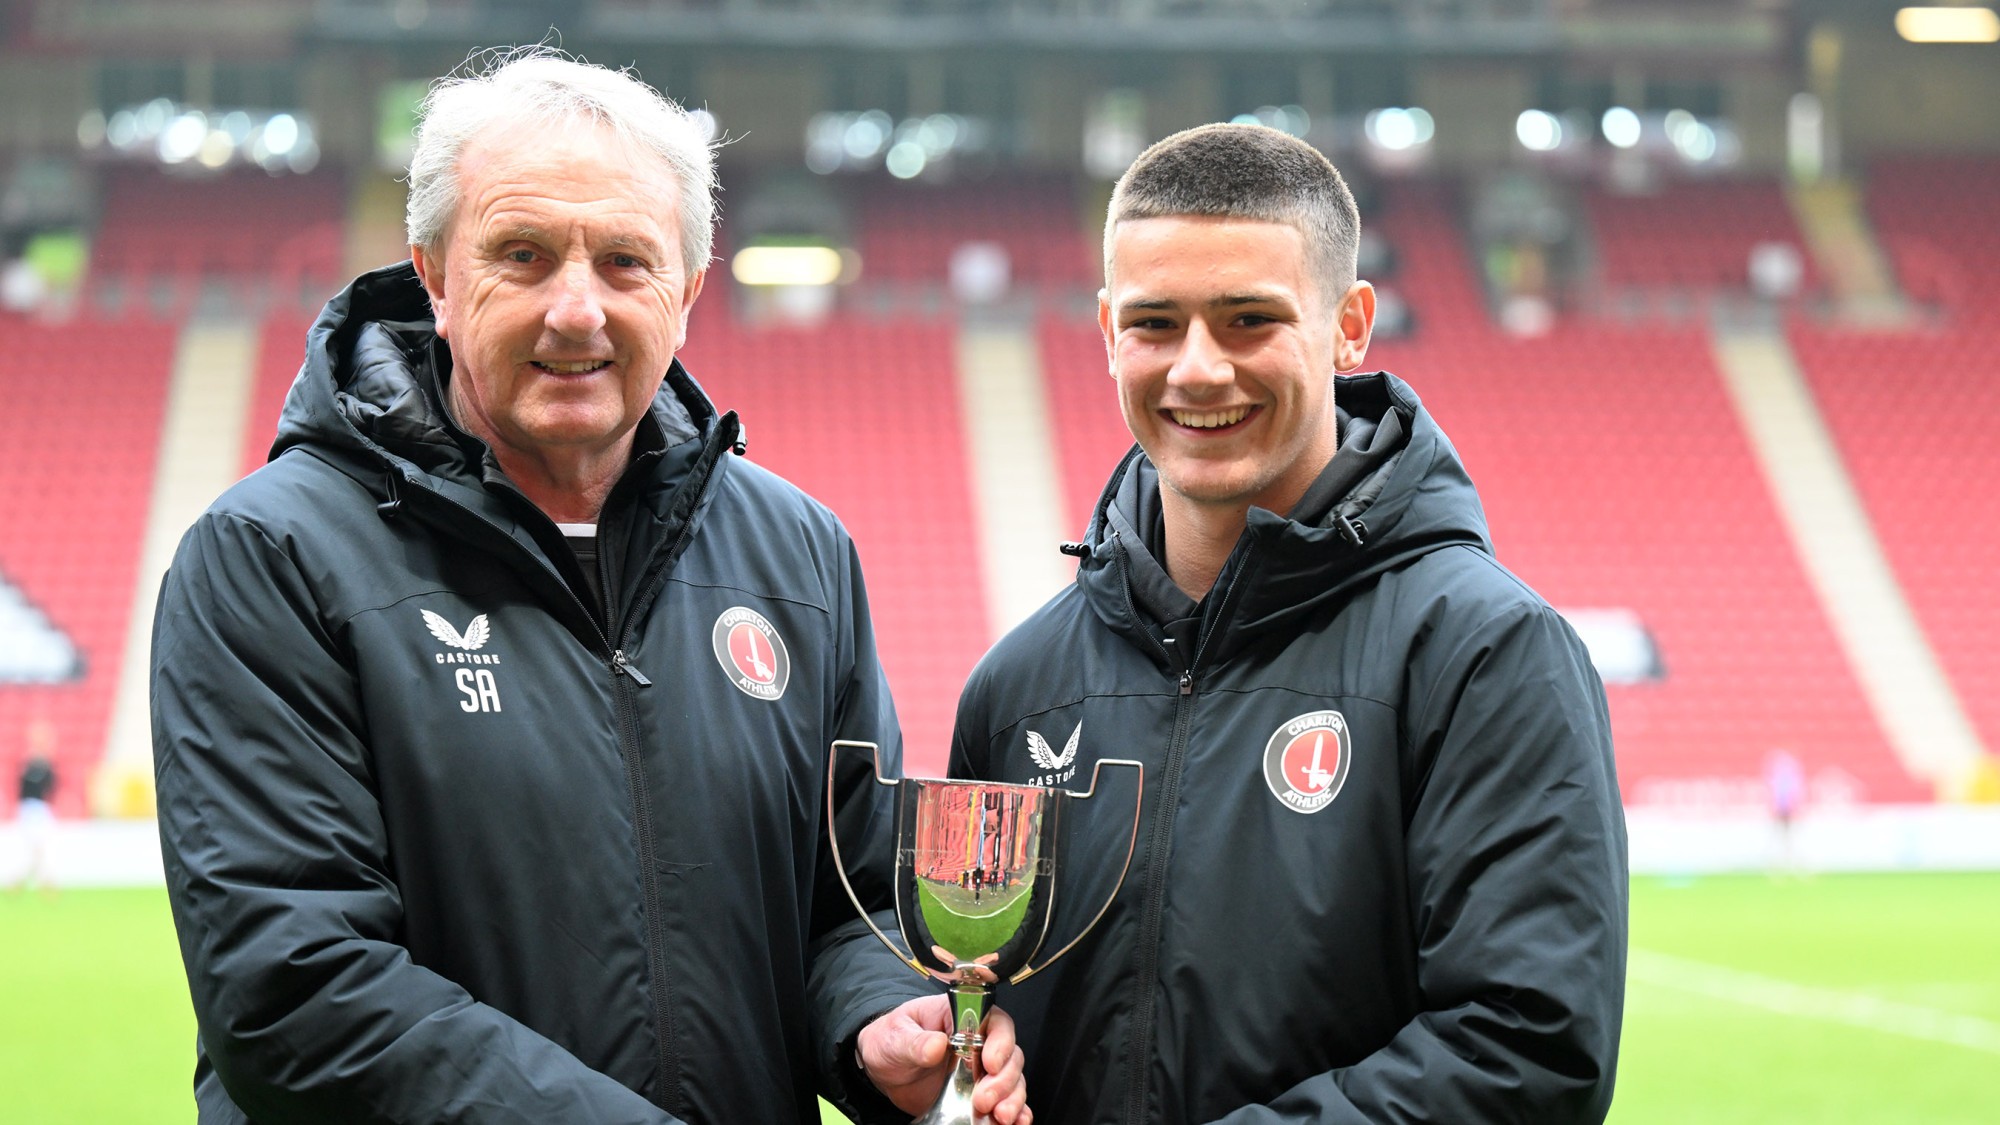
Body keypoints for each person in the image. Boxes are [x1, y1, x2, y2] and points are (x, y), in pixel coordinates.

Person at [152, 50, 1025, 1124]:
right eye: (521, 255)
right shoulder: (272, 556)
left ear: (690, 290)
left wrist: (879, 1020)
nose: (578, 310)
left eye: (624, 262)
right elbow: (295, 993)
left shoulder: (798, 553)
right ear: (432, 272)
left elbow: (855, 900)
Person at [949, 123, 1627, 1123]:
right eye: (1153, 323)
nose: (1196, 369)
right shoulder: (1018, 685)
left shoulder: (1485, 654)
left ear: (1349, 323)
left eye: (1246, 319)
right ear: (1104, 331)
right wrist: (960, 1057)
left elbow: (1524, 1054)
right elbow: (967, 1000)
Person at [9, 733, 57, 895]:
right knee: (36, 850)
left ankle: (21, 882)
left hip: (39, 809)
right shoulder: (28, 766)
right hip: (30, 810)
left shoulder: (45, 767)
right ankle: (41, 884)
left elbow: (51, 787)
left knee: (38, 850)